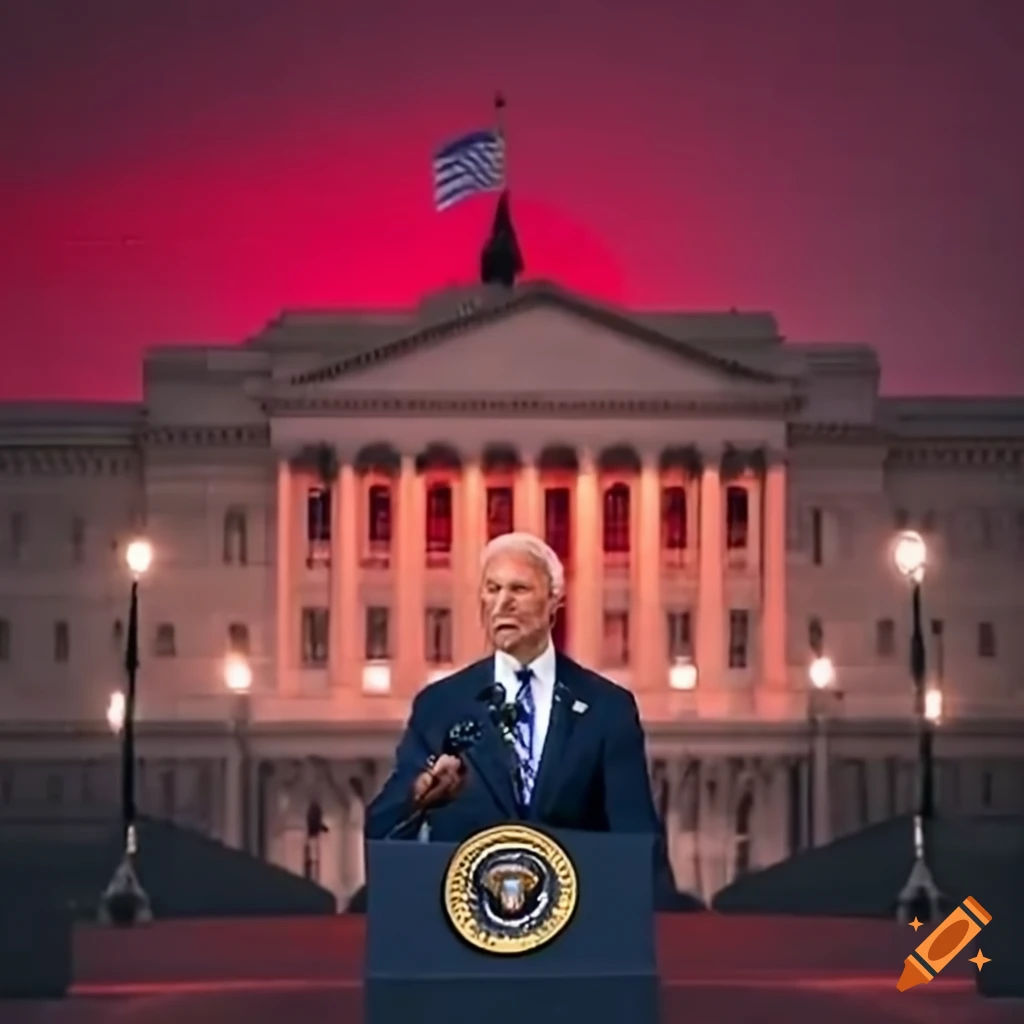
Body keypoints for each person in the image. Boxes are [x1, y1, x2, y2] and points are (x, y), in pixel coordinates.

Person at [365, 531, 684, 904]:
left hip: (577, 929)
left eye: (519, 589)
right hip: (463, 935)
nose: (503, 604)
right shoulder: (440, 706)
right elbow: (385, 825)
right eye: (492, 589)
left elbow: (637, 842)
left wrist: (660, 931)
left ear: (554, 601)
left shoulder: (607, 709)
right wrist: (419, 795)